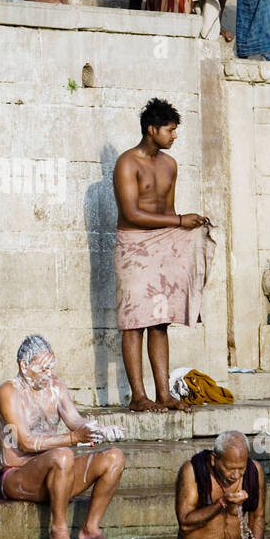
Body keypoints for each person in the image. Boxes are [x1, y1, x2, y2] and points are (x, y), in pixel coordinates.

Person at [113, 97, 213, 413]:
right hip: (133, 245)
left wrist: (186, 231)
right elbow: (130, 213)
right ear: (151, 129)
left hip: (162, 247)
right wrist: (180, 220)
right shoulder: (127, 163)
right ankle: (138, 396)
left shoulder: (170, 165)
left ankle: (164, 393)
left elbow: (167, 211)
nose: (174, 136)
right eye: (170, 130)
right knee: (133, 322)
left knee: (160, 321)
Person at [0, 335, 125, 539]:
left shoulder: (56, 386)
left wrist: (99, 430)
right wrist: (74, 439)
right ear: (24, 366)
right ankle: (60, 530)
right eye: (43, 369)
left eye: (51, 368)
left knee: (115, 457)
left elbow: (75, 421)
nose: (49, 375)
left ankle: (90, 528)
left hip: (58, 475)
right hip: (19, 477)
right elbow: (25, 443)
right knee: (63, 455)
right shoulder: (7, 393)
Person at [175, 432, 266, 539]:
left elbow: (258, 517)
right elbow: (185, 522)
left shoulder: (254, 472)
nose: (235, 475)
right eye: (229, 468)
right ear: (214, 460)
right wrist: (221, 503)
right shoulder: (192, 471)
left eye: (241, 468)